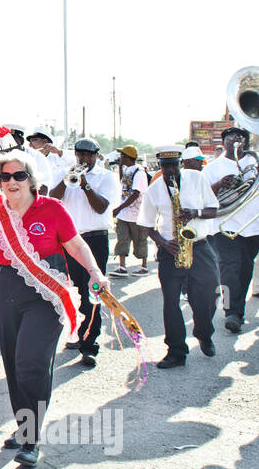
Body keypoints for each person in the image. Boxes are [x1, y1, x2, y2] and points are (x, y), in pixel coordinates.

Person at [0, 150, 110, 467]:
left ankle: (31, 438)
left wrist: (95, 272)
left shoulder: (52, 209)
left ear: (32, 180)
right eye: (5, 176)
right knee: (13, 365)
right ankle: (24, 427)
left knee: (31, 362)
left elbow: (75, 244)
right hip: (2, 288)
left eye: (19, 175)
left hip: (44, 294)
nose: (11, 181)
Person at [138, 146, 221, 369]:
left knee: (208, 297)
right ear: (160, 166)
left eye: (174, 165)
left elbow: (214, 208)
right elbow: (146, 226)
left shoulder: (197, 178)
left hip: (200, 245)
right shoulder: (154, 190)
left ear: (180, 163)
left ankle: (204, 332)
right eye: (166, 166)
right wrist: (164, 243)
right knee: (171, 303)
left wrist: (196, 213)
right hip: (171, 250)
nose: (171, 170)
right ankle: (176, 351)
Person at [48, 137, 116, 367]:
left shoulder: (106, 177)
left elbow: (101, 207)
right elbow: (52, 199)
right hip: (70, 241)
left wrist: (85, 184)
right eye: (80, 153)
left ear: (97, 154)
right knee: (72, 291)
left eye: (89, 154)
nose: (84, 158)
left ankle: (90, 345)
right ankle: (77, 333)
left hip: (95, 239)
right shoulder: (67, 175)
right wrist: (68, 181)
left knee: (93, 291)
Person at [204, 126, 259, 334]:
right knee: (230, 268)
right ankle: (231, 313)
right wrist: (221, 184)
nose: (236, 140)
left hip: (252, 226)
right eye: (232, 137)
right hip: (224, 226)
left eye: (241, 137)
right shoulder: (213, 167)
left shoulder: (257, 163)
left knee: (245, 270)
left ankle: (238, 311)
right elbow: (204, 196)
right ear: (224, 142)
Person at [111, 145, 149, 275]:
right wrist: (121, 167)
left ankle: (144, 267)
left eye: (122, 156)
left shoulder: (140, 172)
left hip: (137, 214)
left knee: (140, 240)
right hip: (124, 214)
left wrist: (119, 208)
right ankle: (122, 267)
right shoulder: (127, 169)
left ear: (127, 157)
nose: (119, 158)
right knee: (122, 239)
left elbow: (136, 193)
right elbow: (123, 185)